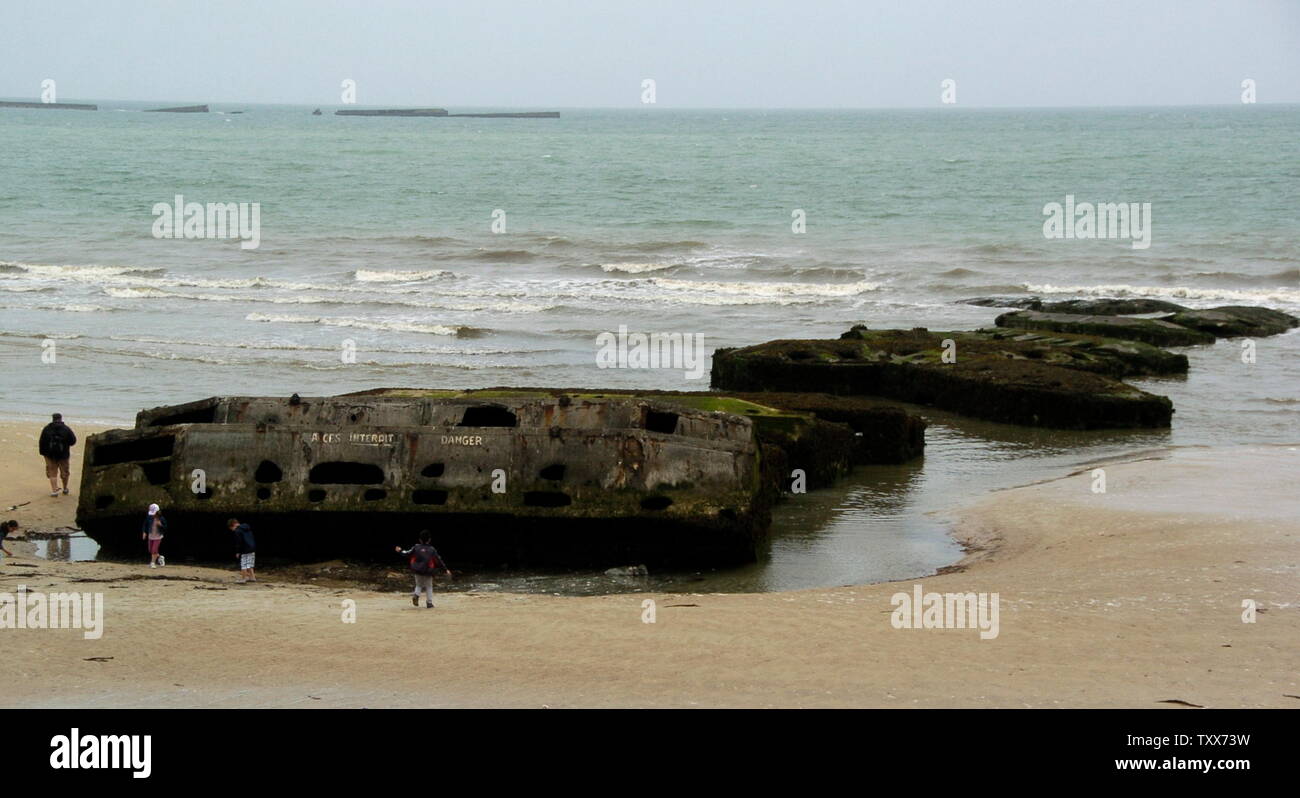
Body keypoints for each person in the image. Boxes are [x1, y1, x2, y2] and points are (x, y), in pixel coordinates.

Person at [394, 530, 449, 609]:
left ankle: (416, 595)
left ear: (420, 539)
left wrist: (400, 551)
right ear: (429, 539)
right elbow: (438, 560)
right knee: (429, 586)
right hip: (428, 571)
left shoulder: (416, 547)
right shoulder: (432, 549)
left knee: (419, 585)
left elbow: (407, 553)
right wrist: (445, 569)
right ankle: (429, 603)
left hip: (418, 570)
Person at [38, 413, 77, 497]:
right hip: (63, 454)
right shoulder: (66, 429)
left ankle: (54, 490)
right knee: (65, 472)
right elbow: (73, 441)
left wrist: (43, 454)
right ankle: (65, 488)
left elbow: (41, 442)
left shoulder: (46, 429)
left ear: (52, 419)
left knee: (52, 472)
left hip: (49, 454)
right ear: (61, 418)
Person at [229, 518, 256, 583]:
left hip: (245, 549)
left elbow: (239, 542)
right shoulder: (247, 528)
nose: (232, 530)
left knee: (244, 564)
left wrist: (238, 552)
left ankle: (243, 579)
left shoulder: (238, 531)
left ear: (233, 525)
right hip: (252, 548)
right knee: (249, 564)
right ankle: (252, 578)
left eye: (231, 528)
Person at [141, 503, 166, 568]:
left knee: (154, 550)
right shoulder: (149, 517)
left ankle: (152, 563)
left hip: (158, 537)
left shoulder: (162, 518)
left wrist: (161, 525)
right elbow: (145, 524)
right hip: (150, 536)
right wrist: (144, 532)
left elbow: (166, 527)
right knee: (150, 550)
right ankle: (160, 557)